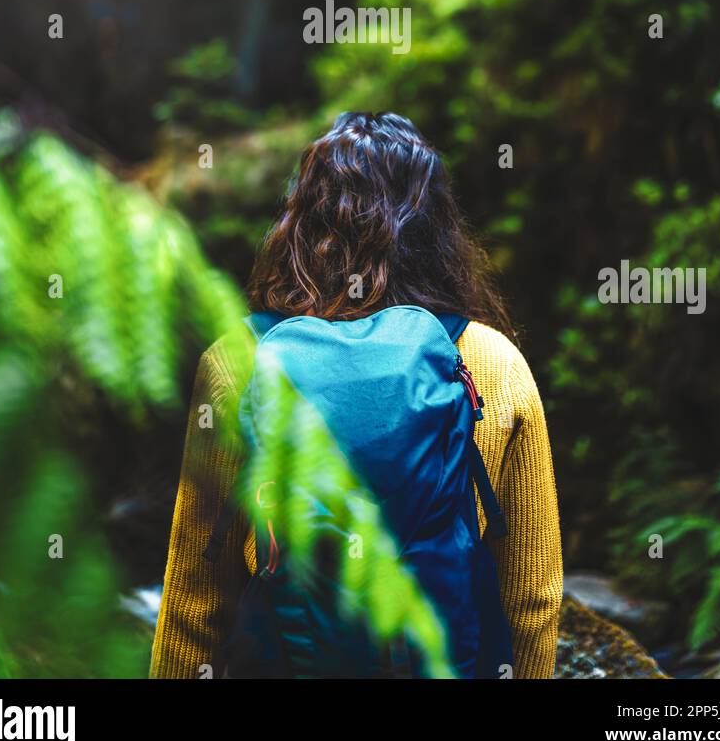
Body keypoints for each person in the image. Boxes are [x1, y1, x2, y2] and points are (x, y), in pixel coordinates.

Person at [150, 111, 563, 678]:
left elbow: (195, 593)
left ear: (297, 222)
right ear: (438, 231)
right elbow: (532, 599)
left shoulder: (236, 363)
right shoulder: (491, 363)